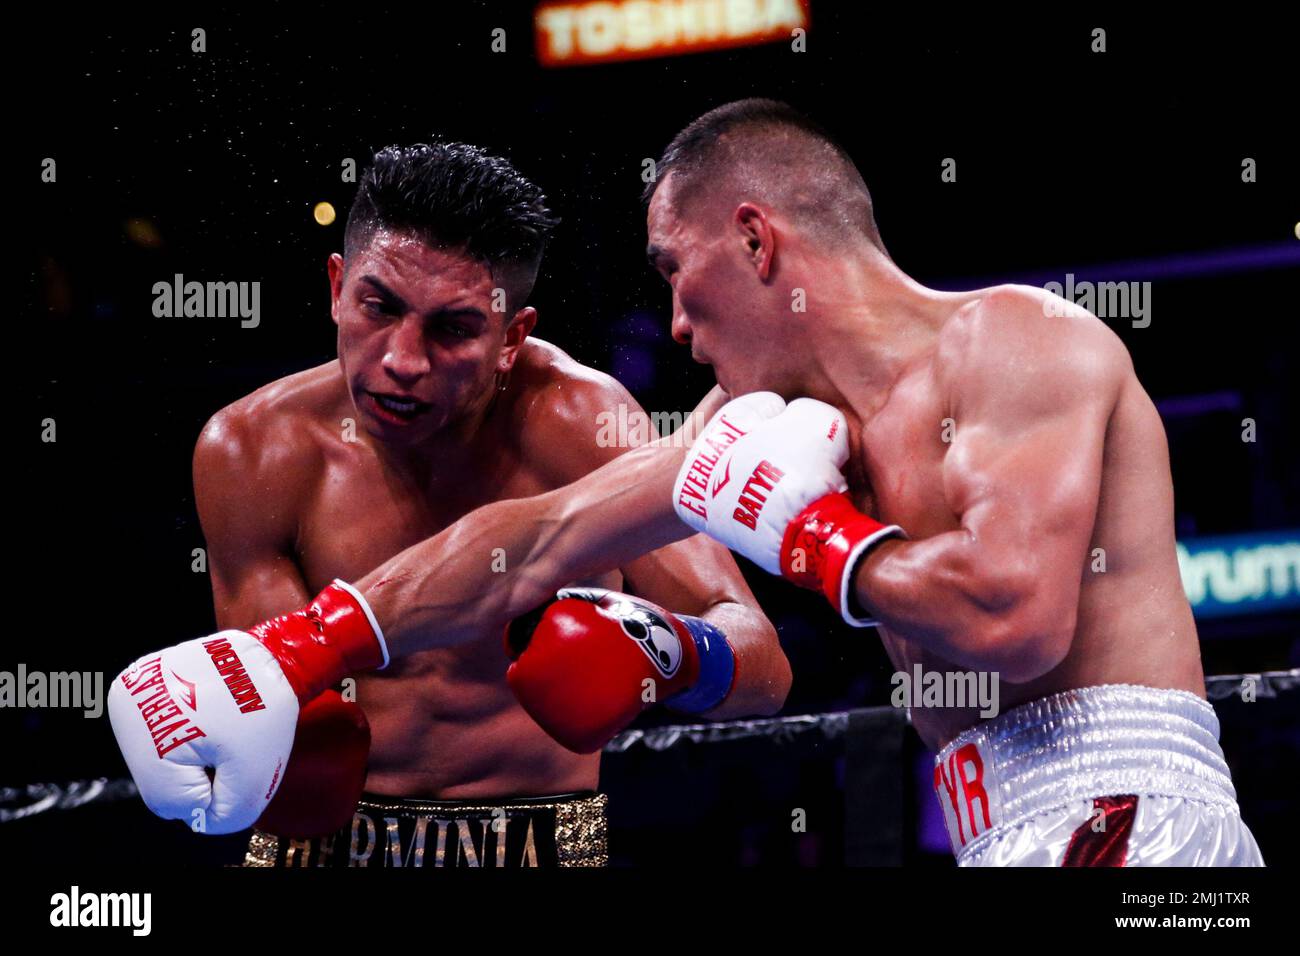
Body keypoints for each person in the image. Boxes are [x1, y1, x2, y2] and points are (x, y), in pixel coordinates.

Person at [109, 142, 788, 868]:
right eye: (379, 307)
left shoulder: (583, 427)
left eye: (454, 329)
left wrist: (675, 653)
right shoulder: (253, 451)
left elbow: (763, 664)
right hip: (321, 848)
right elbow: (266, 699)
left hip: (536, 844)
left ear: (511, 337)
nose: (403, 360)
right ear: (337, 287)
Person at [649, 99, 1263, 866]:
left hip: (1122, 817)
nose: (674, 322)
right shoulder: (768, 424)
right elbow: (560, 525)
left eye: (674, 268)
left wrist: (818, 538)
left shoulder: (1014, 337)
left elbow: (1014, 616)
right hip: (1003, 831)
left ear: (753, 238)